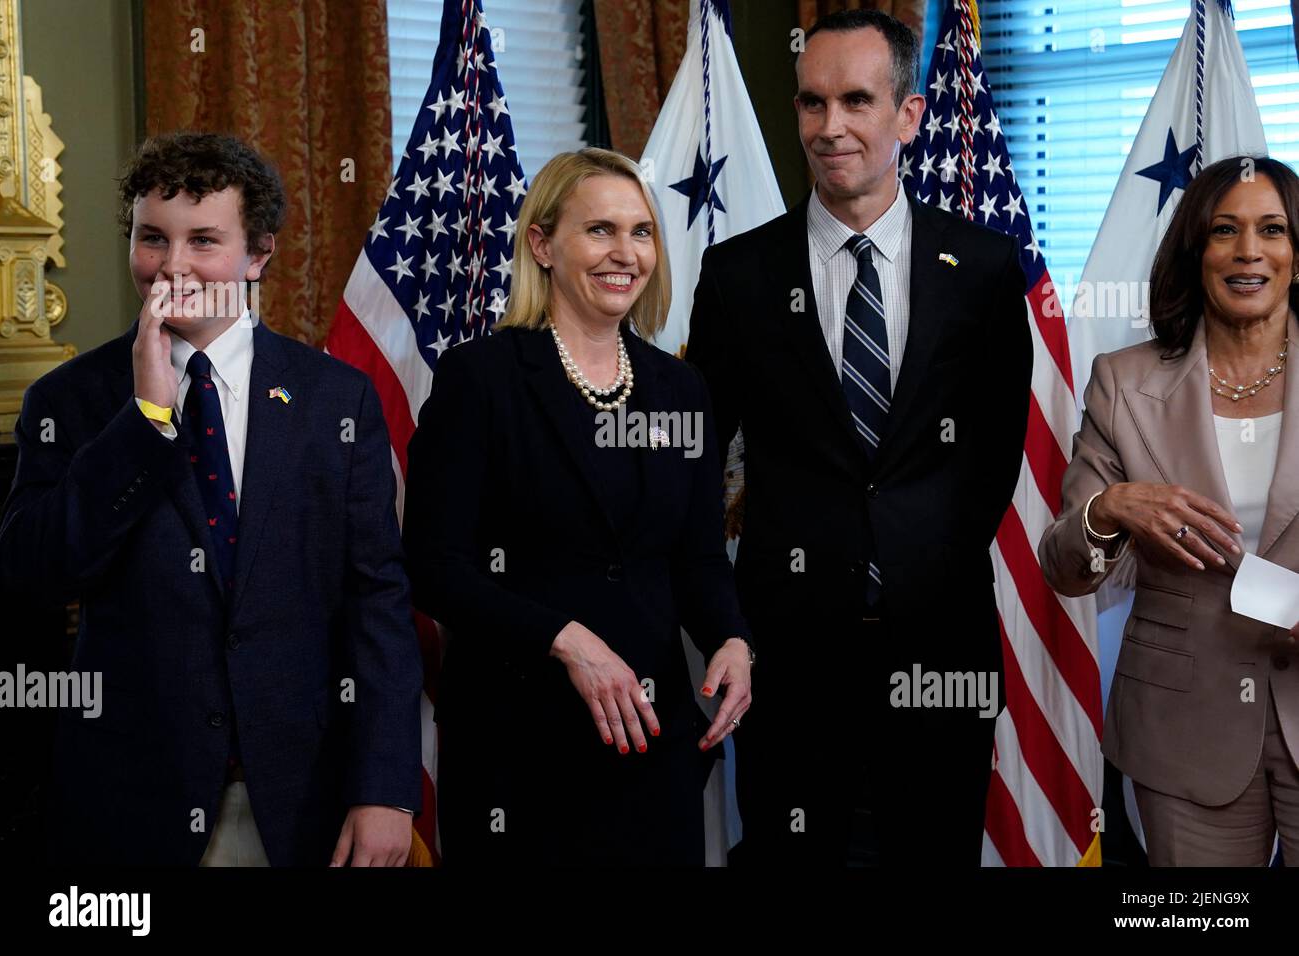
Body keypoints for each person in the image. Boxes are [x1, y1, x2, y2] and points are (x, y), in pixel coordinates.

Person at [0, 132, 422, 866]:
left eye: (203, 240)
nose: (173, 267)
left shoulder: (334, 401)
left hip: (301, 798)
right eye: (152, 239)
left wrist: (385, 786)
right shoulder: (66, 400)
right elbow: (34, 573)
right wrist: (145, 423)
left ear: (257, 255)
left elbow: (376, 601)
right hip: (129, 804)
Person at [686, 9, 1032, 865]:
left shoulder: (984, 269)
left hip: (940, 652)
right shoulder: (737, 276)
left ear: (908, 115)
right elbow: (696, 466)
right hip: (789, 656)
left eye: (855, 101)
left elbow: (991, 459)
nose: (829, 127)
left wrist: (921, 568)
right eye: (810, 103)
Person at [403, 147, 752, 866]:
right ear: (542, 244)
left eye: (642, 231)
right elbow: (434, 565)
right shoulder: (482, 378)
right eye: (599, 230)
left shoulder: (680, 390)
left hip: (650, 746)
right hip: (517, 746)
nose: (625, 253)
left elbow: (696, 558)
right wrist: (566, 639)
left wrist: (733, 638)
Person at [1040, 156, 1299, 866]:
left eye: (1272, 230)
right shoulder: (1123, 384)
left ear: (1296, 255)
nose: (1249, 251)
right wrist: (1112, 507)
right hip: (1185, 726)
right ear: (1196, 252)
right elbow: (1064, 564)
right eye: (1225, 231)